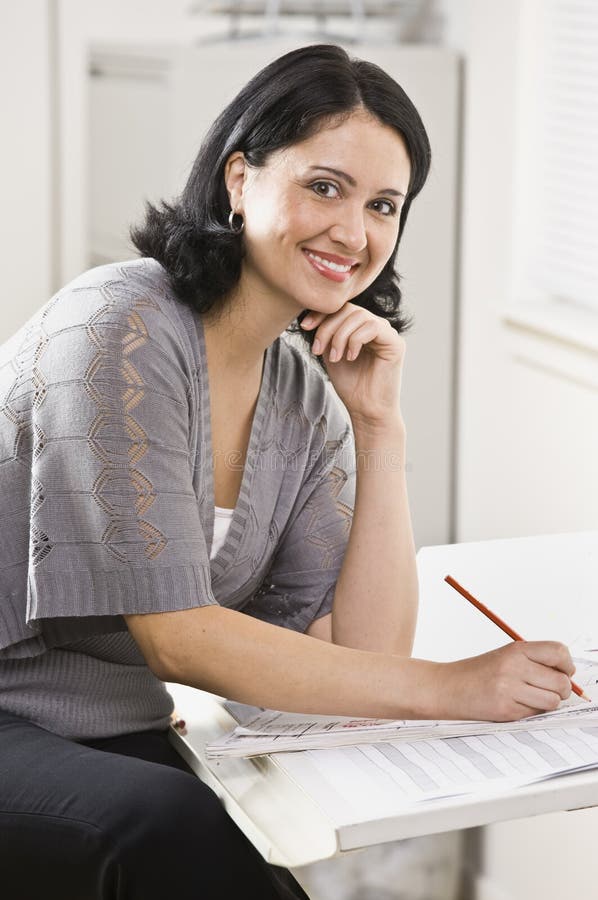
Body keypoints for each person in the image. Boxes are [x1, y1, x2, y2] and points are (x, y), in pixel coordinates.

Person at [0, 43, 575, 900]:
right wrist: (457, 689)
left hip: (112, 730)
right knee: (170, 829)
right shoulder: (119, 328)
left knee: (243, 859)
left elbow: (366, 653)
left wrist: (378, 425)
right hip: (18, 716)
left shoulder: (304, 394)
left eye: (385, 204)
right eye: (324, 186)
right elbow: (179, 635)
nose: (355, 231)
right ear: (240, 180)